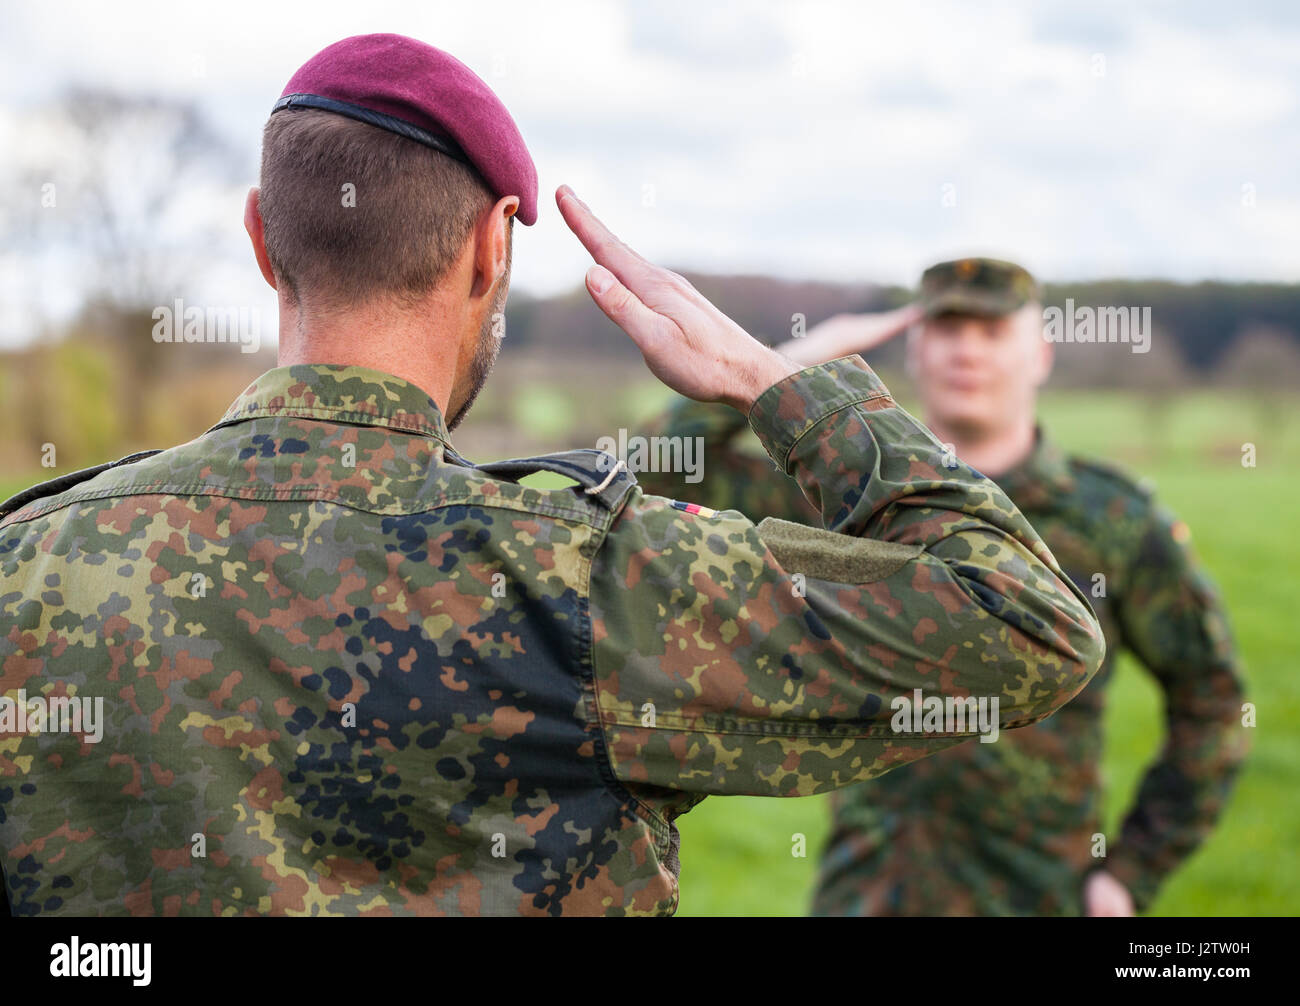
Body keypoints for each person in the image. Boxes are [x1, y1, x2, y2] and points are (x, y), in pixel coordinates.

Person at [0, 37, 1103, 917]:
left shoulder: (26, 563)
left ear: (259, 238)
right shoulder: (585, 578)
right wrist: (778, 386)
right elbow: (1024, 623)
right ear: (490, 250)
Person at [636, 257, 1248, 916]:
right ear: (915, 347)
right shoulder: (837, 499)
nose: (967, 350)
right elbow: (656, 473)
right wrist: (788, 370)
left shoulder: (1112, 519)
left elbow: (1213, 701)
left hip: (1037, 892)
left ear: (1039, 354)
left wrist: (1130, 874)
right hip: (866, 889)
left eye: (991, 331)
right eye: (947, 327)